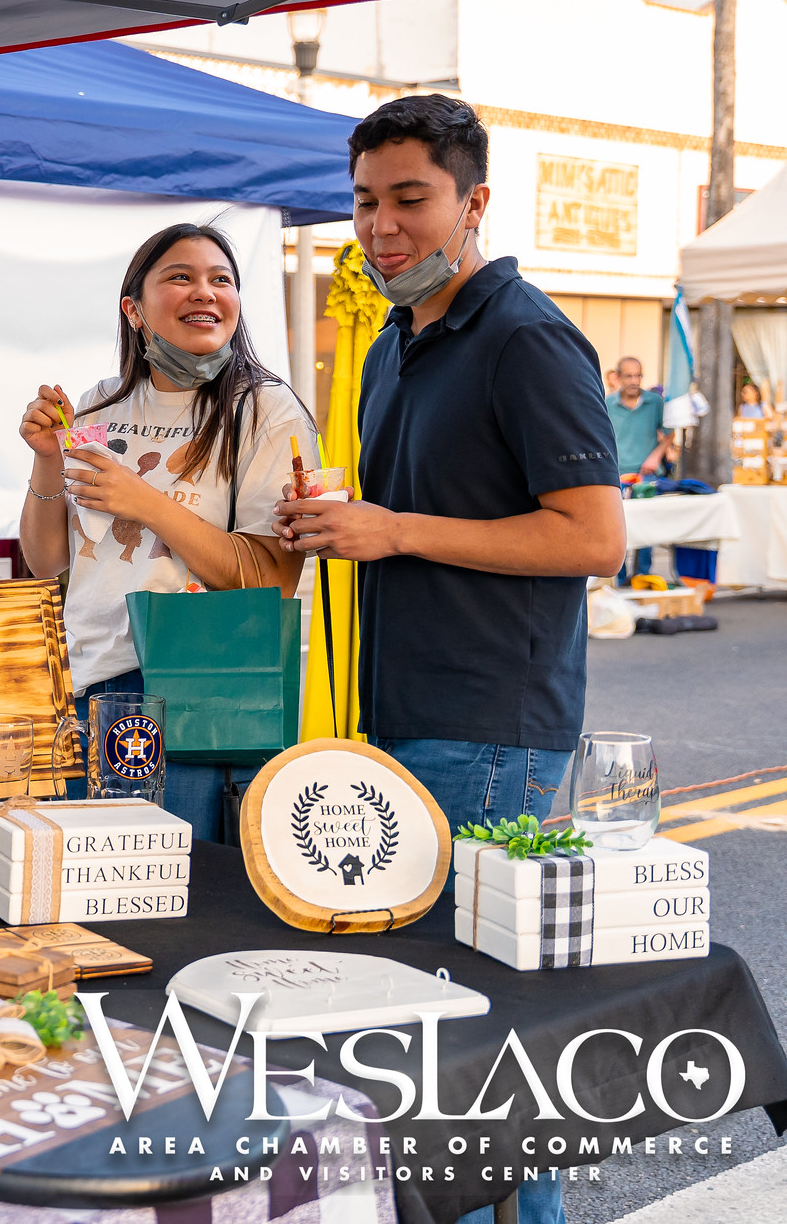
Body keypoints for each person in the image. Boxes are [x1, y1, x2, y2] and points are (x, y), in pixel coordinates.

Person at [274, 95, 624, 962]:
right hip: (389, 711)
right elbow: (421, 506)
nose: (380, 225)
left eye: (409, 198)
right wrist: (337, 520)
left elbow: (594, 539)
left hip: (487, 729)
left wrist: (392, 529)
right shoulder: (391, 342)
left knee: (460, 979)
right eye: (364, 200)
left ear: (474, 204)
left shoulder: (528, 337)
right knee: (400, 977)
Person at [18, 223, 313, 840]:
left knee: (172, 894)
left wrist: (147, 502)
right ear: (134, 309)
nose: (204, 292)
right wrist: (48, 458)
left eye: (221, 279)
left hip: (198, 687)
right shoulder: (99, 406)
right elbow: (51, 563)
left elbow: (272, 577)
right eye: (180, 277)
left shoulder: (265, 410)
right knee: (90, 889)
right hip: (90, 681)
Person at [606, 356, 671, 477]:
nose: (634, 381)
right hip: (616, 474)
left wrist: (655, 457)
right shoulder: (606, 403)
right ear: (617, 377)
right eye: (629, 376)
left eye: (638, 376)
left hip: (648, 474)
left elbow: (670, 434)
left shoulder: (655, 402)